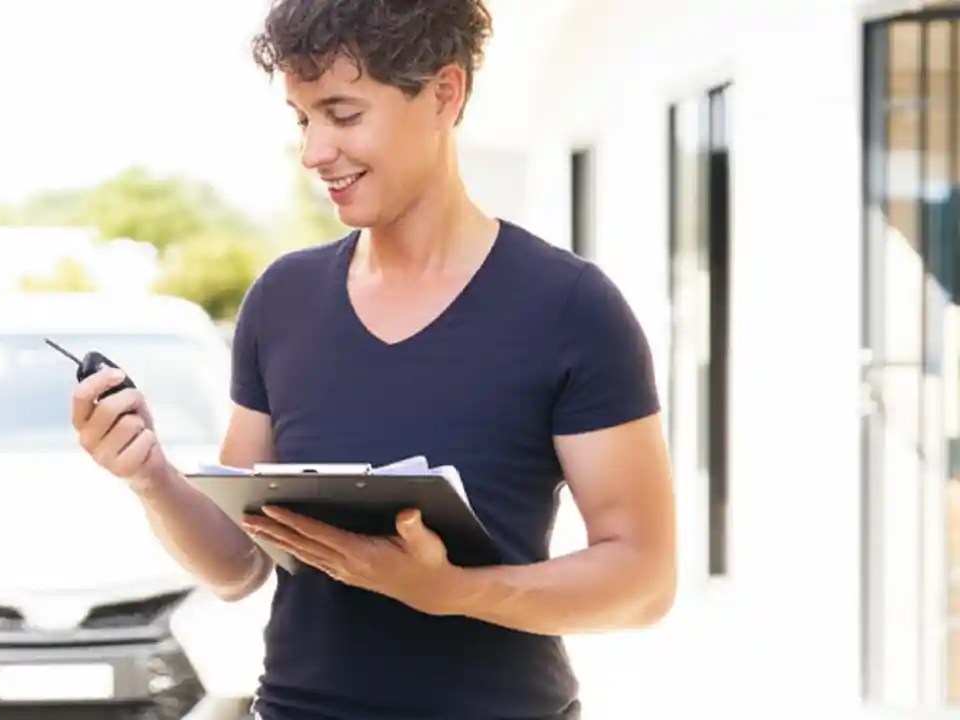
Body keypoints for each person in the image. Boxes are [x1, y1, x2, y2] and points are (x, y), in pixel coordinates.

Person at [70, 0, 677, 717]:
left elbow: (643, 579)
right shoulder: (282, 301)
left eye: (343, 114)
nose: (314, 151)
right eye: (303, 118)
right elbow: (238, 567)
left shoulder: (570, 307)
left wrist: (452, 592)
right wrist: (151, 478)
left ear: (444, 95)